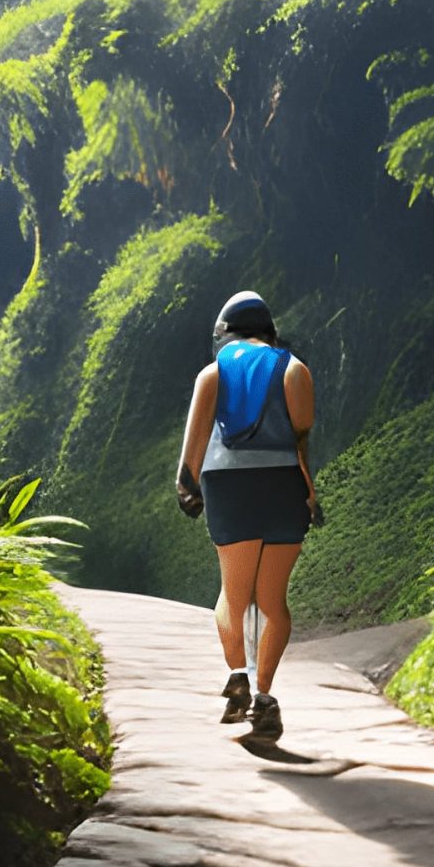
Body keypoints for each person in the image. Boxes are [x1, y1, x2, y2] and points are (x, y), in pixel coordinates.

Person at [175, 290, 318, 741]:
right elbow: (301, 444)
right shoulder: (294, 370)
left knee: (233, 596)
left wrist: (187, 486)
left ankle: (238, 674)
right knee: (272, 601)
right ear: (269, 333)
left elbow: (192, 447)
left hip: (228, 486)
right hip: (282, 486)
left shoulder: (213, 372)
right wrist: (311, 496)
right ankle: (265, 697)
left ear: (225, 334)